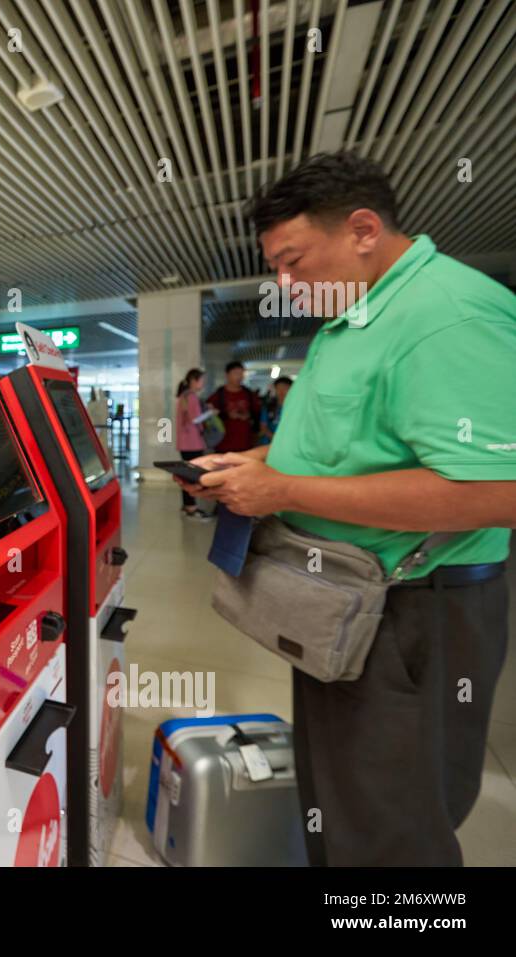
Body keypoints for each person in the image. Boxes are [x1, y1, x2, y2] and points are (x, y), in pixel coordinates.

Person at [177, 151, 516, 866]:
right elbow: (342, 442)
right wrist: (254, 464)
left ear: (363, 228)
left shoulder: (444, 314)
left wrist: (285, 492)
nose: (284, 285)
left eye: (295, 262)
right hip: (345, 606)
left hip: (415, 611)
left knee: (389, 826)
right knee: (342, 798)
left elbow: (497, 490)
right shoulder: (352, 319)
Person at [175, 369, 212, 520]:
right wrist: (211, 412)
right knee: (191, 476)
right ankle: (192, 508)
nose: (203, 383)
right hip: (192, 442)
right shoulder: (191, 396)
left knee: (186, 475)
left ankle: (187, 505)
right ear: (194, 380)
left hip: (185, 442)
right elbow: (196, 419)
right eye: (201, 380)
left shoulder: (183, 396)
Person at [206, 361, 261, 452]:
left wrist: (248, 415)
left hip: (246, 444)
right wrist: (227, 415)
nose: (239, 377)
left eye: (241, 373)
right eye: (236, 373)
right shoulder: (219, 395)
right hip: (223, 445)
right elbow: (208, 415)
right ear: (227, 375)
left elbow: (257, 414)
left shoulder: (249, 394)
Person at [258, 375, 292, 445]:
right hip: (268, 444)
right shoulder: (269, 407)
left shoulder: (295, 407)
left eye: (285, 388)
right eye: (278, 388)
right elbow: (263, 427)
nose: (281, 391)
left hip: (289, 443)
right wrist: (274, 438)